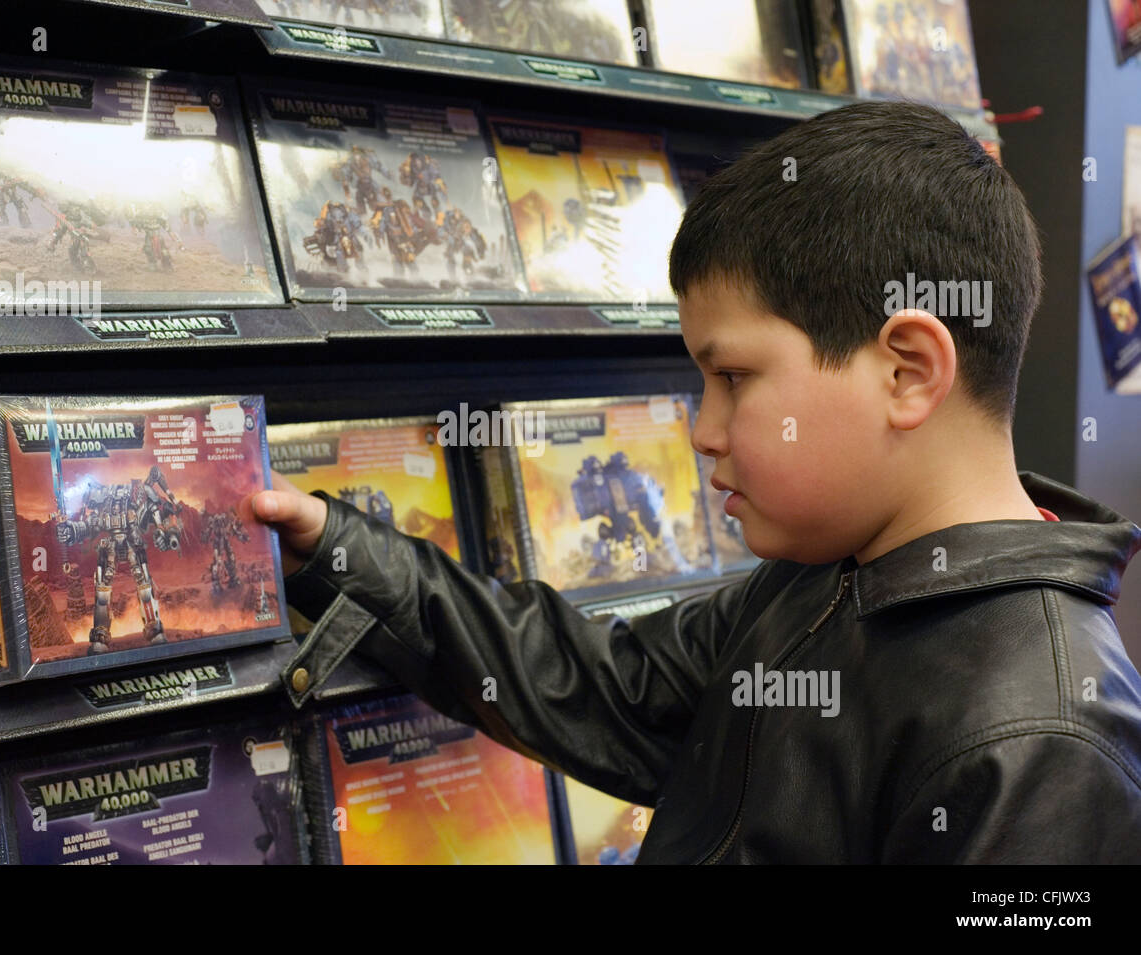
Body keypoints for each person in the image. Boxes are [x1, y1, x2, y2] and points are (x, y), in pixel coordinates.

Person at [248, 101, 1141, 863]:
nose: (704, 430)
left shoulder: (1045, 743)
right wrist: (338, 549)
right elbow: (599, 686)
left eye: (734, 379)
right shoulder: (823, 575)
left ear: (907, 371)